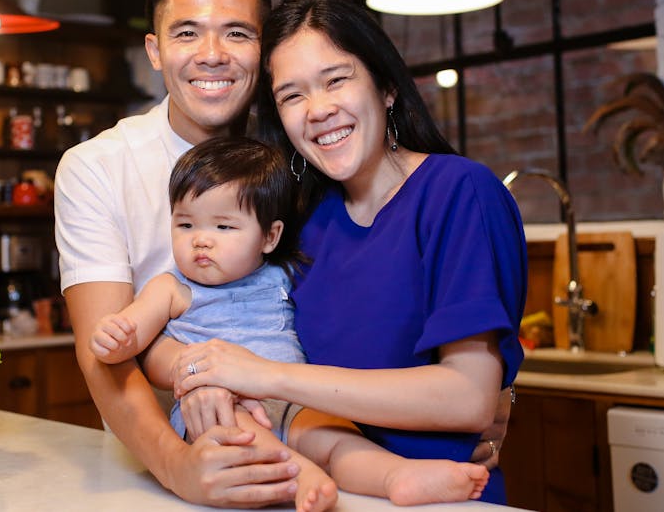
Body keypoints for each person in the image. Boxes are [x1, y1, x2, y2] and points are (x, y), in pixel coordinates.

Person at [55, 0, 508, 508]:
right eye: (188, 33)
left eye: (238, 34)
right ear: (154, 49)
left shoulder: (302, 169)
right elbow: (110, 346)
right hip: (177, 463)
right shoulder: (101, 166)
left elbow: (446, 338)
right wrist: (189, 424)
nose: (212, 55)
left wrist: (493, 389)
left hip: (349, 460)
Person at [171, 0, 528, 504]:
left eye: (336, 80)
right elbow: (225, 319)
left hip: (439, 500)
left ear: (385, 86)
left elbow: (469, 399)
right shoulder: (298, 224)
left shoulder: (458, 191)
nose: (318, 110)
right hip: (317, 494)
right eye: (292, 96)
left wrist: (267, 376)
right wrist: (208, 382)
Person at [89, 136, 489, 511]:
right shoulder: (171, 288)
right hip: (219, 408)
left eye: (223, 226)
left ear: (269, 236)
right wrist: (117, 335)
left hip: (294, 398)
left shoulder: (281, 276)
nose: (201, 240)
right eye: (186, 225)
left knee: (335, 436)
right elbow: (134, 336)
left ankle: (395, 476)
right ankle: (301, 476)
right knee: (242, 435)